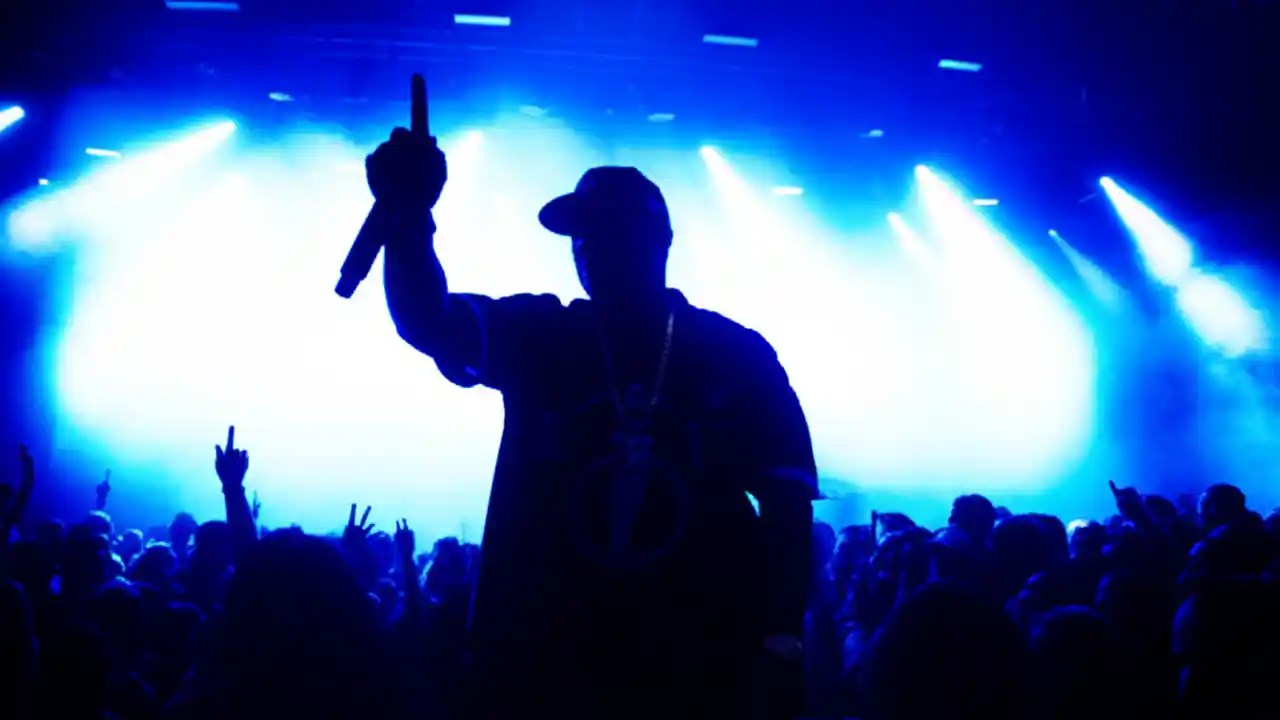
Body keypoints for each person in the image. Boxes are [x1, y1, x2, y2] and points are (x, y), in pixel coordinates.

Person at [368, 87, 818, 718]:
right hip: (548, 666)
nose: (587, 248)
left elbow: (788, 506)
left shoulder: (735, 354)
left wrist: (782, 642)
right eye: (579, 236)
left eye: (607, 233)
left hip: (697, 665)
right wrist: (409, 218)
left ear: (658, 241)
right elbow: (427, 321)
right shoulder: (545, 335)